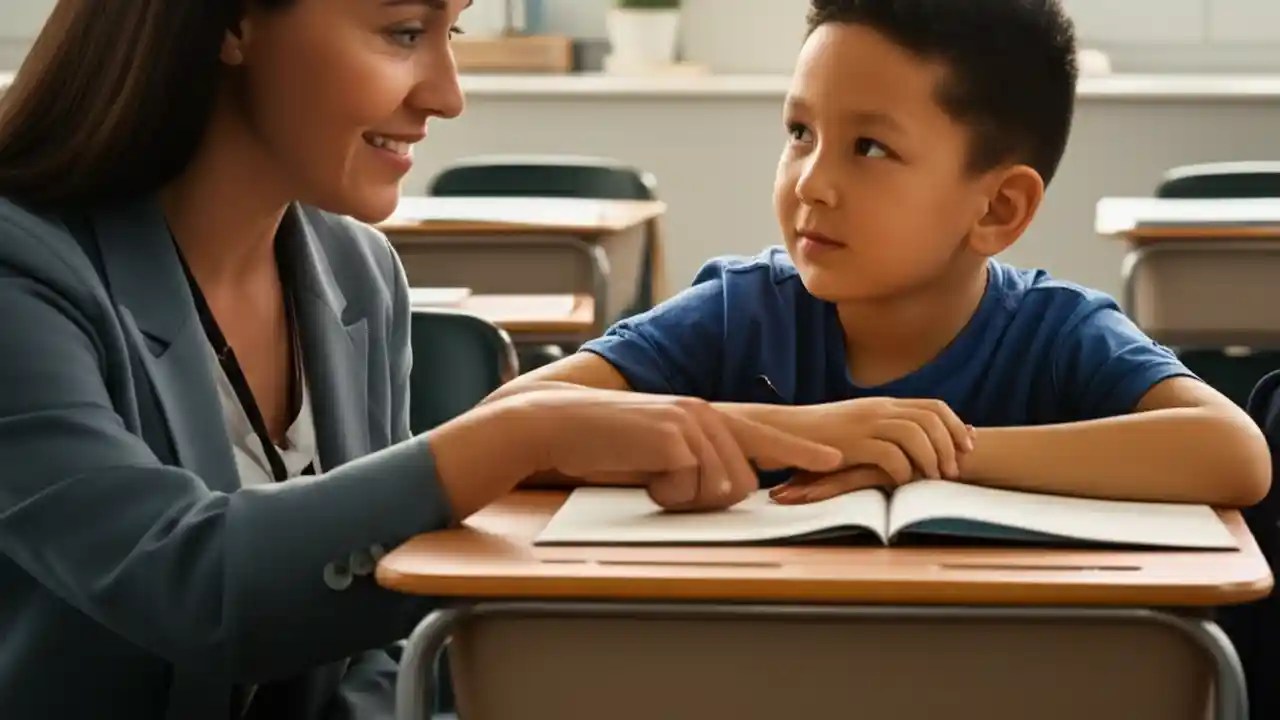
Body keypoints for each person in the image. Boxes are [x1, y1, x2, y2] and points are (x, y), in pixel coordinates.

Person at [0, 2, 845, 718]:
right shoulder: (21, 269)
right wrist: (520, 434)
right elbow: (189, 585)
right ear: (230, 23)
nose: (446, 95)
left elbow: (372, 642)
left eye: (456, 34)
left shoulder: (357, 274)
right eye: (404, 32)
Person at [490, 0, 1271, 507]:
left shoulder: (1053, 333)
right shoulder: (740, 311)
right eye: (800, 133)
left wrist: (938, 456)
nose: (813, 183)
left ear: (997, 208)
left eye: (868, 147)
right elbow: (502, 429)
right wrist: (773, 432)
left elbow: (1233, 453)